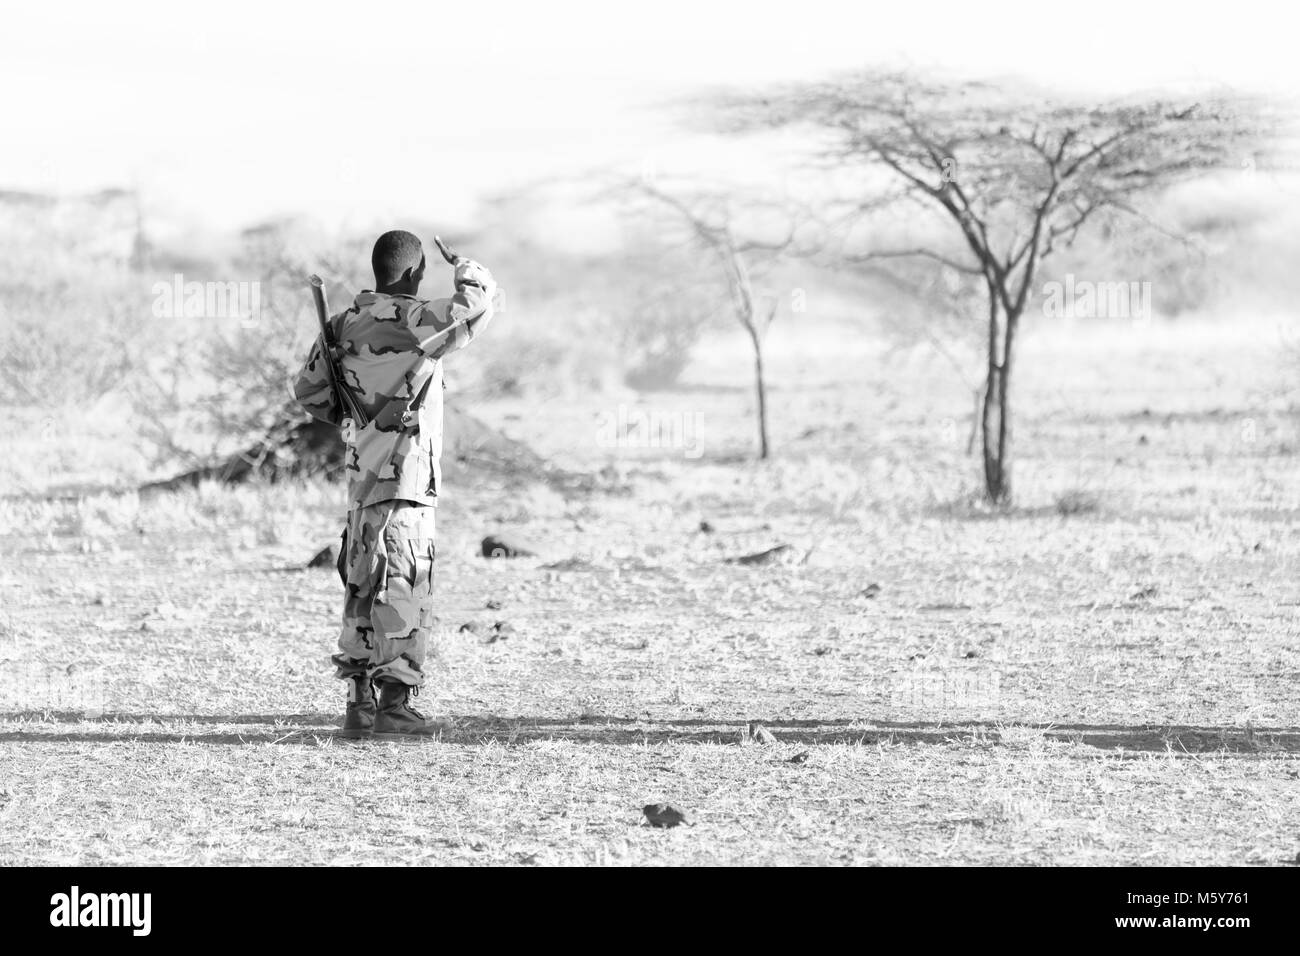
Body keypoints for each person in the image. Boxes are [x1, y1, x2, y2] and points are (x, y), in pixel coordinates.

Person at [294, 230, 496, 738]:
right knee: (405, 584)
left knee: (361, 586)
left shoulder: (342, 323)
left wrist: (351, 413)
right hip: (405, 478)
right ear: (414, 273)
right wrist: (467, 267)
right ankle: (395, 706)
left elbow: (310, 391)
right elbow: (473, 308)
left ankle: (358, 704)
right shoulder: (415, 322)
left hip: (361, 479)